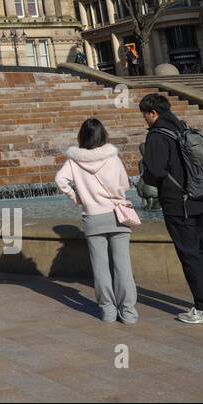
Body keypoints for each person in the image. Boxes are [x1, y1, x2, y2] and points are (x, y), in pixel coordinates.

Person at [138, 93, 203, 325]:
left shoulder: (157, 136)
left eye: (145, 115)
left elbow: (154, 172)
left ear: (153, 113)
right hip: (200, 198)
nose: (145, 120)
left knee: (189, 254)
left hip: (179, 204)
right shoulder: (183, 128)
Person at [55, 118, 138, 324]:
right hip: (118, 215)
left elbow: (60, 180)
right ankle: (128, 313)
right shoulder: (113, 158)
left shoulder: (74, 160)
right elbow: (124, 184)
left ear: (82, 136)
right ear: (103, 135)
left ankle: (108, 311)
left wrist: (78, 198)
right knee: (123, 266)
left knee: (100, 267)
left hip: (93, 218)